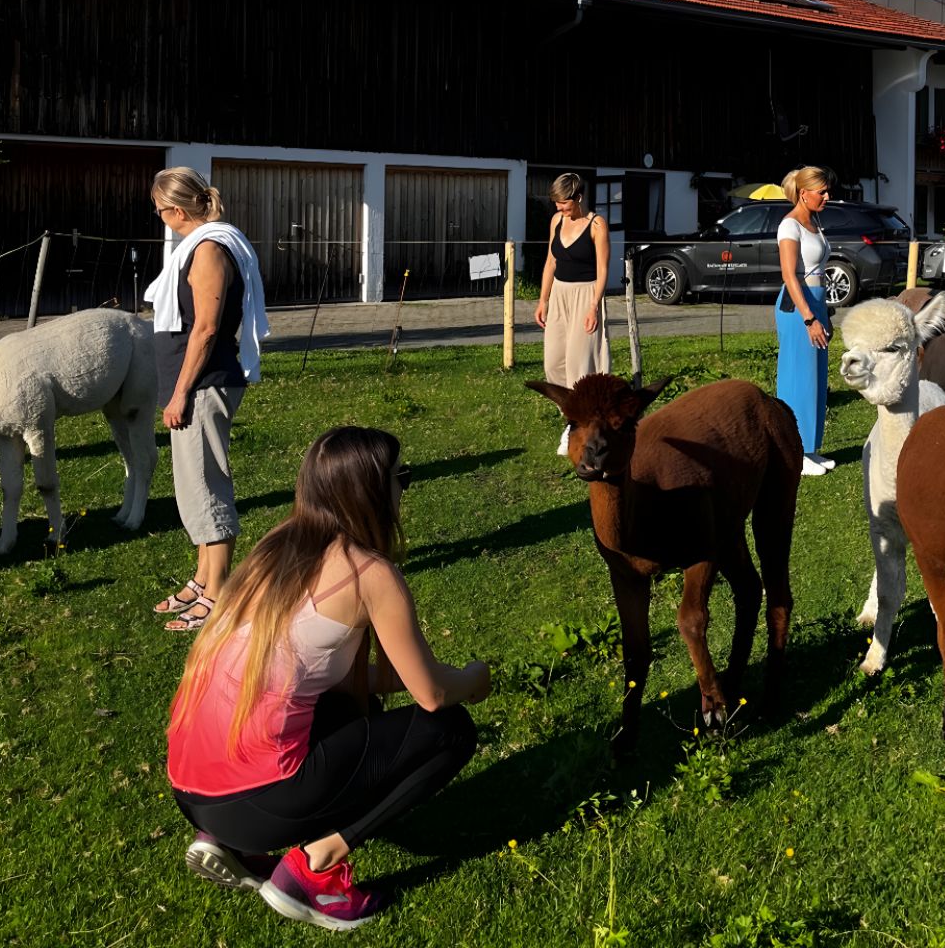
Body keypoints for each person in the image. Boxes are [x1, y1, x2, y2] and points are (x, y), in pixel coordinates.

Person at [167, 426, 490, 932]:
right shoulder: (369, 574)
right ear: (370, 491)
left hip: (192, 795)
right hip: (257, 802)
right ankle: (314, 867)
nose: (405, 488)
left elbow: (336, 679)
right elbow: (432, 693)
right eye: (400, 477)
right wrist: (474, 678)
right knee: (451, 731)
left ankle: (228, 842)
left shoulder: (277, 546)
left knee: (353, 711)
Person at [145, 167, 270, 632]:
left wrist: (180, 392)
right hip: (196, 384)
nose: (160, 218)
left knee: (206, 483)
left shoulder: (209, 251)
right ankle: (202, 578)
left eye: (159, 211)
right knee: (193, 486)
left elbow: (207, 328)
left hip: (203, 384)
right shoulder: (203, 246)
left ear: (176, 210)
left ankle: (219, 593)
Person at [534, 172, 611, 454]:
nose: (560, 209)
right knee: (553, 362)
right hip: (559, 295)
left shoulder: (597, 225)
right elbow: (551, 262)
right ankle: (573, 415)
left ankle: (576, 428)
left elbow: (603, 270)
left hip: (585, 295)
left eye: (564, 204)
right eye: (556, 204)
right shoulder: (556, 221)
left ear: (578, 198)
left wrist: (594, 306)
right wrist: (543, 300)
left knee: (581, 366)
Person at [775, 166, 837, 477]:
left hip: (817, 302)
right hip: (799, 306)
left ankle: (810, 448)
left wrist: (824, 312)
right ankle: (793, 451)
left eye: (826, 191)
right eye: (821, 192)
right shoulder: (790, 226)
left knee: (816, 379)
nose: (827, 196)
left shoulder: (814, 222)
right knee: (797, 377)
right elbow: (790, 275)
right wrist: (809, 318)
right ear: (804, 193)